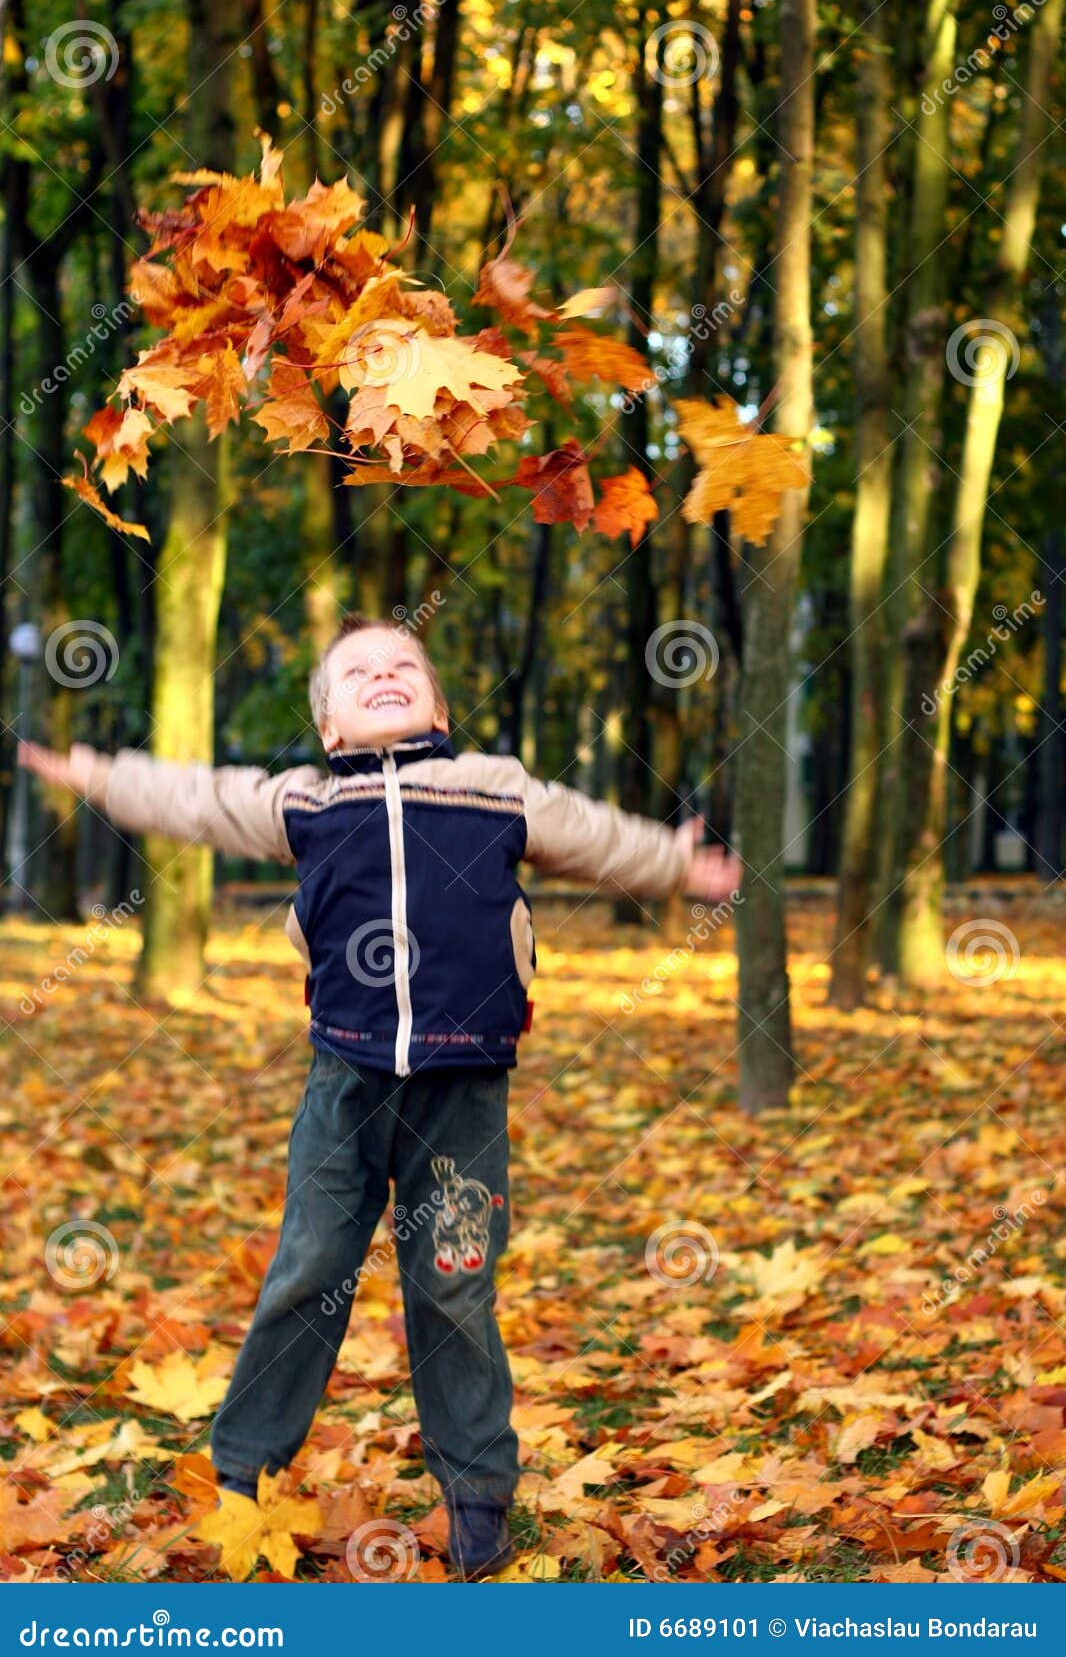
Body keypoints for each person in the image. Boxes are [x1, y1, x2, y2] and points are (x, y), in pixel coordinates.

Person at [18, 612, 741, 1579]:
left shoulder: (495, 790)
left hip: (463, 1095)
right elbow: (194, 797)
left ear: (438, 705)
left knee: (453, 1285)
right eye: (358, 672)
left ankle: (478, 1494)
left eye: (405, 665)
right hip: (344, 1085)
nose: (385, 674)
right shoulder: (304, 802)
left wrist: (675, 862)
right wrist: (101, 776)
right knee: (310, 1271)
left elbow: (594, 832)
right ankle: (243, 1476)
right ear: (330, 727)